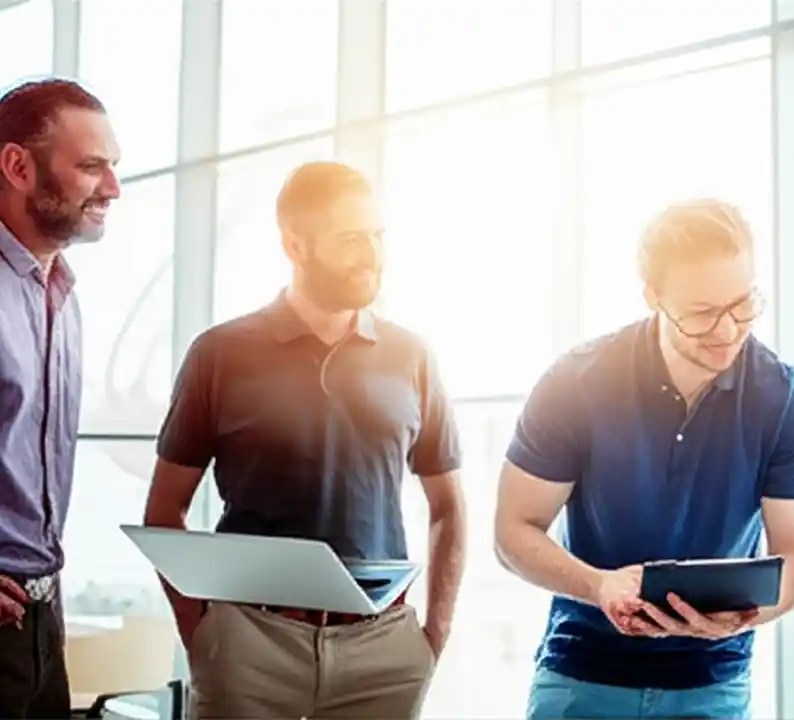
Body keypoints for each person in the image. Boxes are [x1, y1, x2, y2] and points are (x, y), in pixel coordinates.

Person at [143, 161, 465, 719]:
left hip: (382, 651)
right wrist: (204, 636)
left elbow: (449, 507)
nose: (372, 253)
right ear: (296, 245)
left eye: (377, 235)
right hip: (250, 647)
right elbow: (164, 509)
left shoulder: (412, 356)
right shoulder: (219, 354)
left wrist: (431, 636)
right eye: (350, 239)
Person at [494, 198, 794, 719]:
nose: (726, 330)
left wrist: (749, 614)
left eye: (743, 305)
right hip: (581, 672)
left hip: (711, 683)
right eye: (702, 313)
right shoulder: (576, 382)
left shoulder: (789, 402)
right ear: (653, 295)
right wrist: (599, 585)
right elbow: (514, 532)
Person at [0, 78, 120, 718]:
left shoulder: (62, 296)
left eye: (113, 167)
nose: (113, 189)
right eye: (91, 167)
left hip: (43, 618)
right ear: (18, 165)